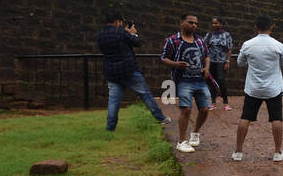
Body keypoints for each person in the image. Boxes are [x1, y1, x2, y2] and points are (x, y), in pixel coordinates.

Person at [95, 11, 170, 131]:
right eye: (120, 21)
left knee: (113, 101)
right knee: (145, 94)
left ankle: (110, 128)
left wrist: (126, 32)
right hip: (129, 70)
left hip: (111, 72)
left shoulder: (100, 35)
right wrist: (133, 34)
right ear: (116, 21)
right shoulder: (121, 32)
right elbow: (137, 43)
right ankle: (160, 118)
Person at [232, 15, 283, 162]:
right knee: (276, 119)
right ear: (272, 27)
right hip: (273, 89)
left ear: (255, 27)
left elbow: (240, 63)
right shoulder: (278, 45)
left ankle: (238, 152)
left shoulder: (247, 44)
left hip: (253, 88)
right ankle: (278, 152)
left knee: (245, 117)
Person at [160, 13, 211, 152]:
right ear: (181, 22)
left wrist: (206, 68)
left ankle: (195, 132)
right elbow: (164, 58)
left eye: (195, 23)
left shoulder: (199, 41)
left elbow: (206, 56)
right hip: (184, 80)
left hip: (200, 80)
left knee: (205, 109)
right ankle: (182, 141)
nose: (193, 25)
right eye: (190, 22)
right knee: (186, 109)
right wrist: (176, 64)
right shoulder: (172, 41)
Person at [205, 18, 234, 111]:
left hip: (221, 61)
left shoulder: (226, 35)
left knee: (221, 80)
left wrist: (227, 61)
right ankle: (213, 102)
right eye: (213, 23)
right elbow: (204, 47)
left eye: (216, 23)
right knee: (211, 81)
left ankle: (226, 102)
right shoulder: (209, 35)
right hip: (211, 61)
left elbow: (229, 49)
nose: (214, 25)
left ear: (221, 24)